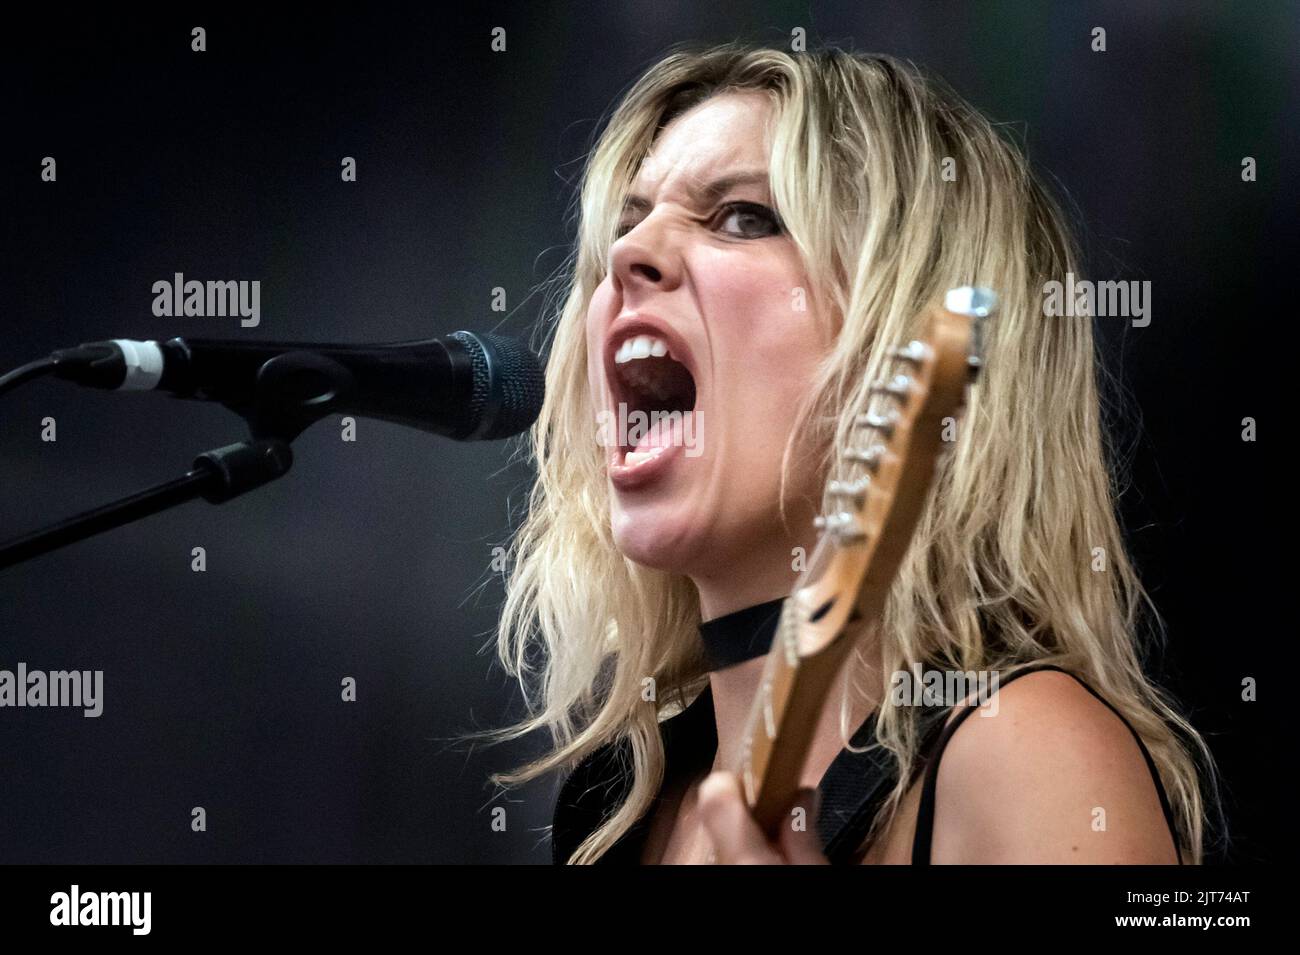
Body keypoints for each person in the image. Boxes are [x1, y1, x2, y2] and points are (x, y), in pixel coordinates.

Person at [480, 42, 1221, 864]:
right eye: (627, 222)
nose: (625, 256)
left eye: (742, 217)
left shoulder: (1027, 753)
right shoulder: (616, 805)